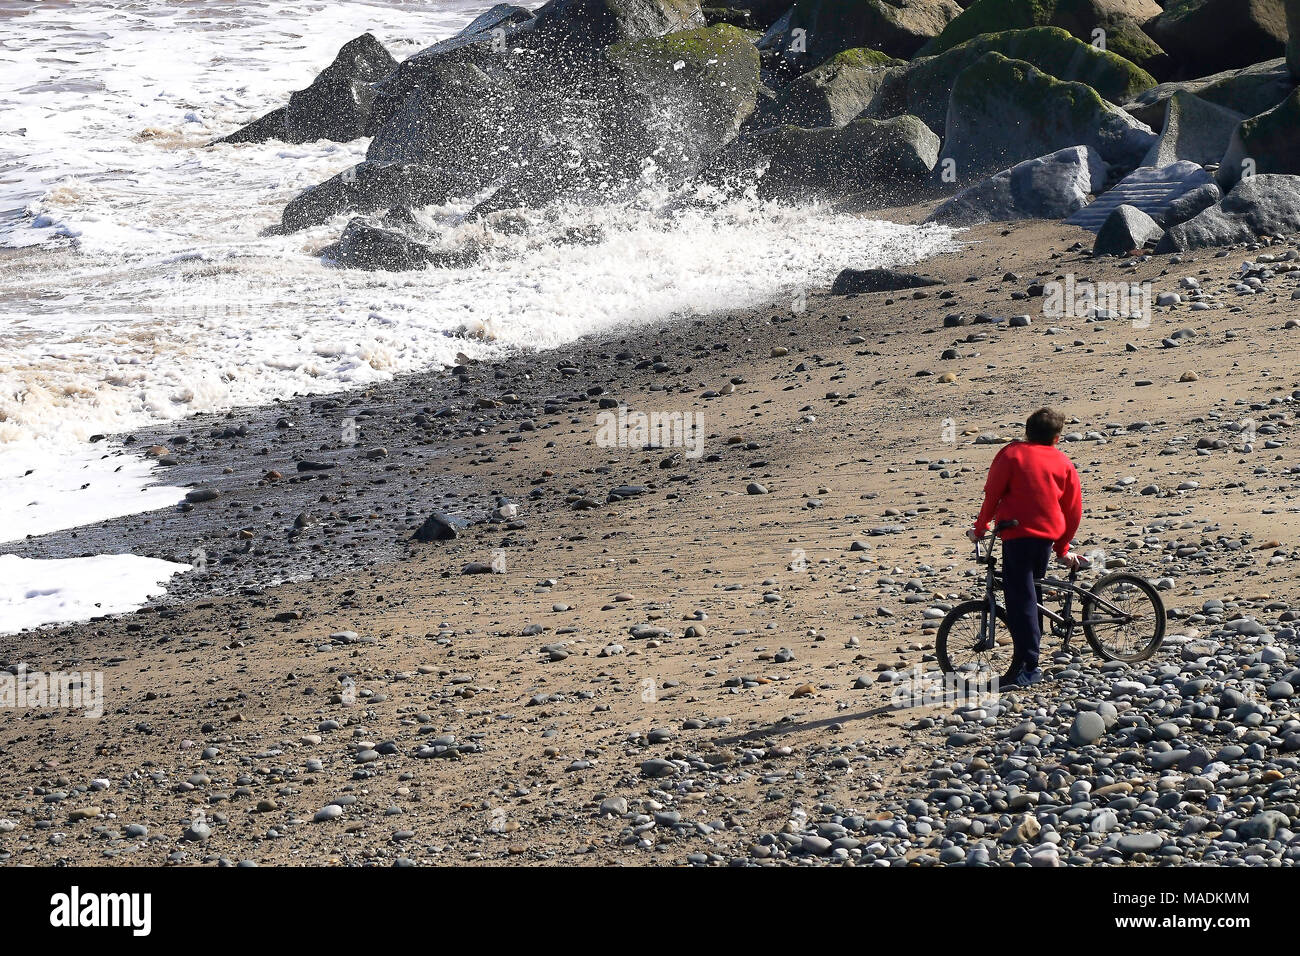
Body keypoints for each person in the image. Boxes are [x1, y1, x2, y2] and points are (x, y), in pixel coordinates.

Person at [968, 407, 1083, 687]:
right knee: (1032, 592)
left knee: (1021, 601)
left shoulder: (1011, 454)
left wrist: (980, 528)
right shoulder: (1063, 462)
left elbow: (992, 495)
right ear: (1057, 438)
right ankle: (1032, 652)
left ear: (1026, 431)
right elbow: (1073, 509)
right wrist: (1063, 547)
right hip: (1046, 538)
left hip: (1017, 534)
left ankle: (1031, 667)